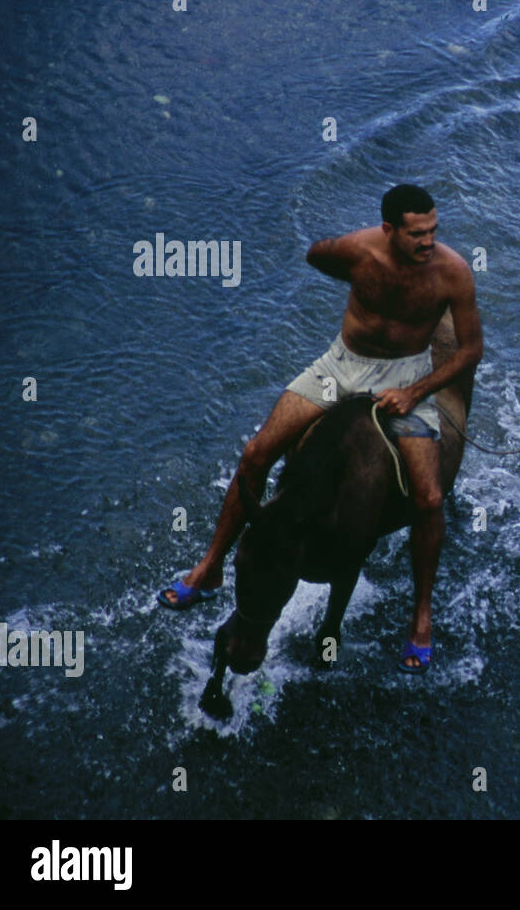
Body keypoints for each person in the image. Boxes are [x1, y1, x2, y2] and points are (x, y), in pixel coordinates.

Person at [158, 184, 483, 672]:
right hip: (341, 368)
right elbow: (315, 254)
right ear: (388, 230)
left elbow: (470, 351)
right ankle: (209, 569)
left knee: (430, 500)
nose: (428, 242)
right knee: (255, 455)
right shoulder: (357, 250)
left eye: (433, 230)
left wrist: (414, 394)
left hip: (405, 376)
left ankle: (421, 614)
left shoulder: (452, 273)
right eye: (416, 234)